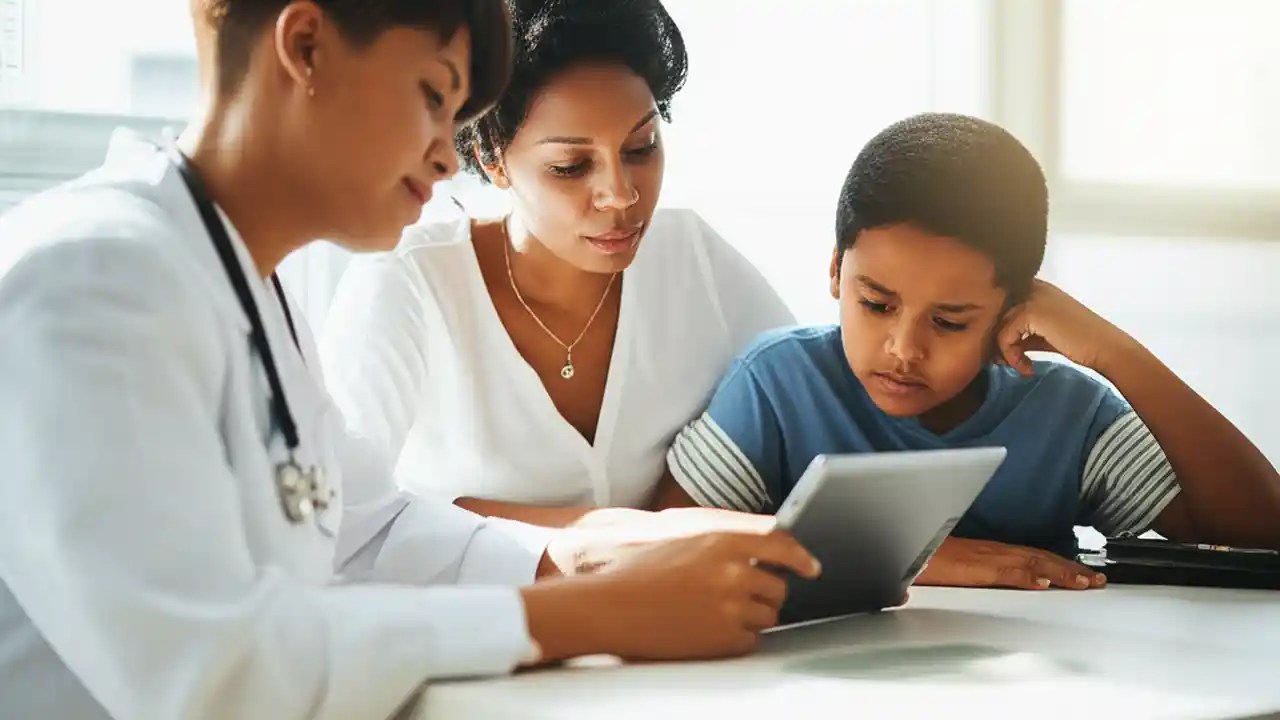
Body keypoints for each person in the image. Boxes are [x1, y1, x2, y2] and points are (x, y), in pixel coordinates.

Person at [0, 1, 818, 717]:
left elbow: (373, 530)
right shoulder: (90, 279)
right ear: (307, 46)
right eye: (433, 97)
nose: (445, 151)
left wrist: (606, 559)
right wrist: (597, 614)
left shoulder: (245, 286)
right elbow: (209, 671)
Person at [651, 112, 1280, 590]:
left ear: (1013, 314)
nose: (903, 349)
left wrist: (1112, 352)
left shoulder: (1067, 412)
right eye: (876, 305)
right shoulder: (779, 384)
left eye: (949, 323)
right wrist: (913, 559)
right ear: (837, 272)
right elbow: (656, 541)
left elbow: (1262, 533)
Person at [320, 0, 794, 526]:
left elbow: (821, 397)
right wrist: (648, 536)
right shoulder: (408, 282)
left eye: (641, 148)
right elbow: (341, 515)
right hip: (477, 608)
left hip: (678, 605)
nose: (620, 194)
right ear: (492, 160)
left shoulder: (693, 258)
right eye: (570, 167)